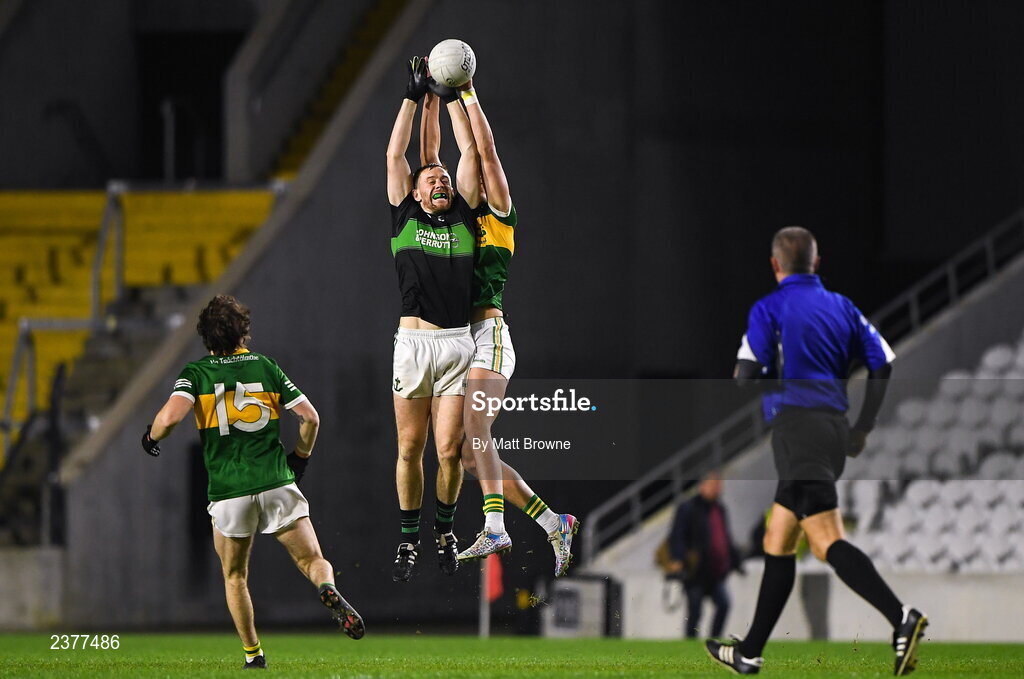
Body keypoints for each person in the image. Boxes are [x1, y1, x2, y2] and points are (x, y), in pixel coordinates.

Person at [705, 227, 927, 677]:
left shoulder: (769, 308)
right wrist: (863, 426)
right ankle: (749, 652)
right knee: (778, 537)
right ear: (816, 263)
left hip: (796, 430)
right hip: (833, 429)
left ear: (775, 265)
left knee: (825, 541)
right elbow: (883, 361)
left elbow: (744, 376)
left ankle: (901, 617)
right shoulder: (843, 306)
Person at [140, 294, 363, 670]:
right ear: (243, 331)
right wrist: (300, 458)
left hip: (230, 493)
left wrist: (151, 438)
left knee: (235, 576)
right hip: (276, 482)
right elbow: (310, 418)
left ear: (206, 336)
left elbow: (169, 419)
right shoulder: (265, 366)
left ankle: (253, 654)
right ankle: (327, 588)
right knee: (313, 560)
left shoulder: (196, 373)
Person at [418, 75, 578, 575]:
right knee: (467, 456)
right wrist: (431, 99)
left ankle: (494, 527)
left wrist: (465, 95)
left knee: (476, 426)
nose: (480, 181)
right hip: (459, 341)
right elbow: (436, 158)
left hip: (490, 335)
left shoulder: (498, 215)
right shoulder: (459, 218)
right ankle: (553, 522)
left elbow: (482, 150)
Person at [386, 57, 482, 582]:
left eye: (444, 177)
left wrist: (453, 96)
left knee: (449, 451)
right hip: (413, 346)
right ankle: (408, 539)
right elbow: (397, 153)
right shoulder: (404, 213)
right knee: (410, 447)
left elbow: (467, 152)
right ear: (416, 191)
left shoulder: (464, 215)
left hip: (457, 345)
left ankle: (443, 529)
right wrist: (413, 97)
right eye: (431, 177)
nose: (440, 179)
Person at [667, 473, 741, 639]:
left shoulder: (719, 509)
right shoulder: (689, 507)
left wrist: (735, 561)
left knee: (724, 604)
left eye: (719, 485)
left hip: (715, 571)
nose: (717, 489)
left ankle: (714, 640)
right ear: (702, 486)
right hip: (695, 570)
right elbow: (677, 535)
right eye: (713, 485)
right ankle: (690, 642)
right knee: (695, 610)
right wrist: (677, 558)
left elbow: (725, 537)